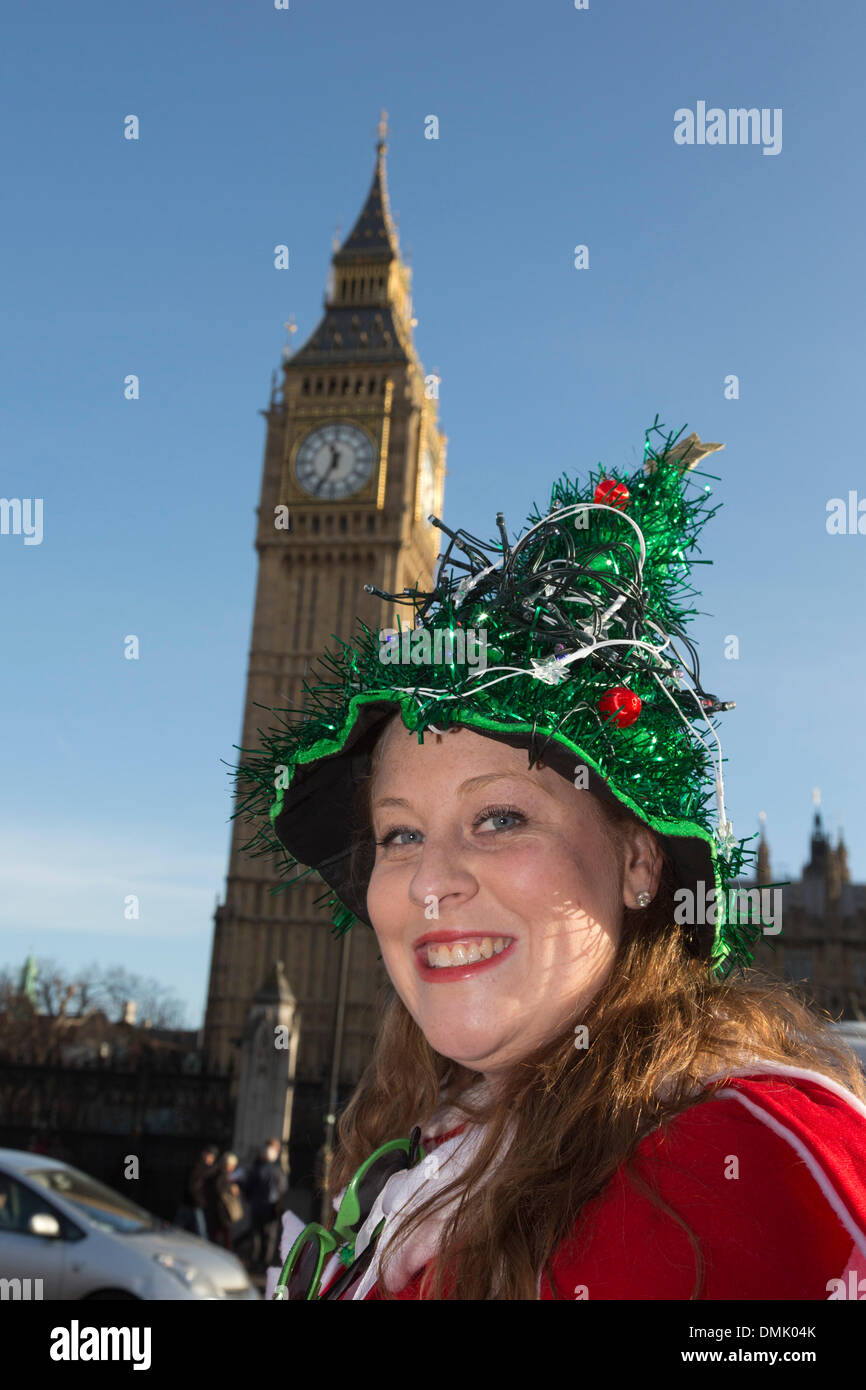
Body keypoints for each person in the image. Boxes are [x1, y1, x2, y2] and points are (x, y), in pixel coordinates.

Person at [235, 423, 866, 1300]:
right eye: (399, 834)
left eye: (498, 816)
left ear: (640, 861)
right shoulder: (433, 1146)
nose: (428, 880)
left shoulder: (737, 1169)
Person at [241, 1139, 288, 1273]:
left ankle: (255, 1261)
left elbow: (248, 1187)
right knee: (268, 1238)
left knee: (257, 1236)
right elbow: (282, 1189)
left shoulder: (258, 1167)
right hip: (270, 1208)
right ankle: (264, 1263)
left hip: (259, 1206)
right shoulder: (277, 1169)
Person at [210, 1152, 245, 1252]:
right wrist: (231, 1189)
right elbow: (221, 1190)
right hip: (222, 1210)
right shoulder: (223, 1175)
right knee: (224, 1236)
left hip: (221, 1211)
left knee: (221, 1234)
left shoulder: (223, 1174)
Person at [185, 1144, 218, 1240]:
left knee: (200, 1232)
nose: (210, 1159)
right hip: (193, 1203)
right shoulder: (198, 1167)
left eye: (213, 1157)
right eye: (209, 1156)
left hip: (196, 1204)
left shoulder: (210, 1170)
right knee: (201, 1233)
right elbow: (194, 1186)